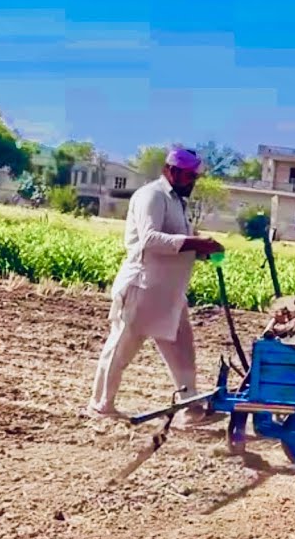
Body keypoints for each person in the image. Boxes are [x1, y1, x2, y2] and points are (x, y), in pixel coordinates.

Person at [87, 147, 225, 424]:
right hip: (143, 287)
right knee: (121, 347)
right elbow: (149, 239)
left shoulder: (178, 202)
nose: (192, 182)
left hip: (170, 292)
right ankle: (102, 406)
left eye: (194, 177)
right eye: (188, 176)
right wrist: (195, 242)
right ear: (170, 171)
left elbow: (177, 244)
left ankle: (190, 408)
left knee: (183, 351)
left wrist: (201, 250)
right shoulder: (152, 195)